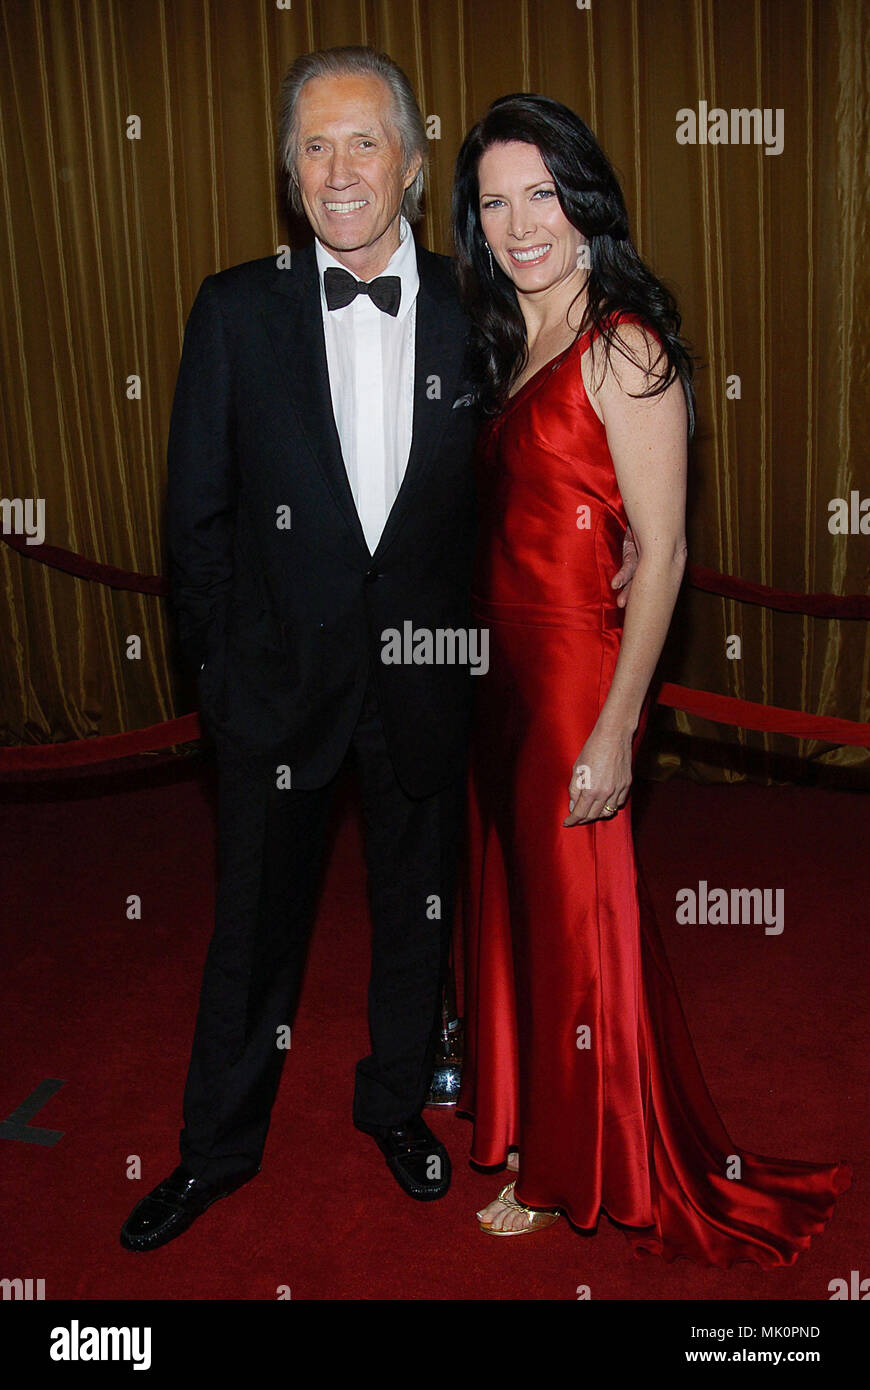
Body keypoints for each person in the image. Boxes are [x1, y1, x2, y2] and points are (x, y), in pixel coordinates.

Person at [120, 45, 639, 1254]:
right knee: (253, 928)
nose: (339, 168)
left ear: (410, 163)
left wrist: (614, 540)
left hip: (429, 675)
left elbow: (554, 446)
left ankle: (396, 1104)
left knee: (417, 916)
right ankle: (214, 1152)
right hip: (276, 691)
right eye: (314, 145)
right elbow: (192, 519)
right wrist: (223, 684)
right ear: (289, 171)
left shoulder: (483, 305)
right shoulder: (234, 308)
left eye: (366, 142)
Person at [453, 93, 851, 1263]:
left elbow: (666, 549)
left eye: (544, 194)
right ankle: (534, 1123)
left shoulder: (622, 343)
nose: (522, 222)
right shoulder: (510, 338)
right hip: (504, 680)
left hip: (579, 675)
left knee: (581, 923)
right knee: (526, 911)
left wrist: (619, 726)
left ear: (586, 206)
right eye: (495, 201)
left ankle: (577, 1161)